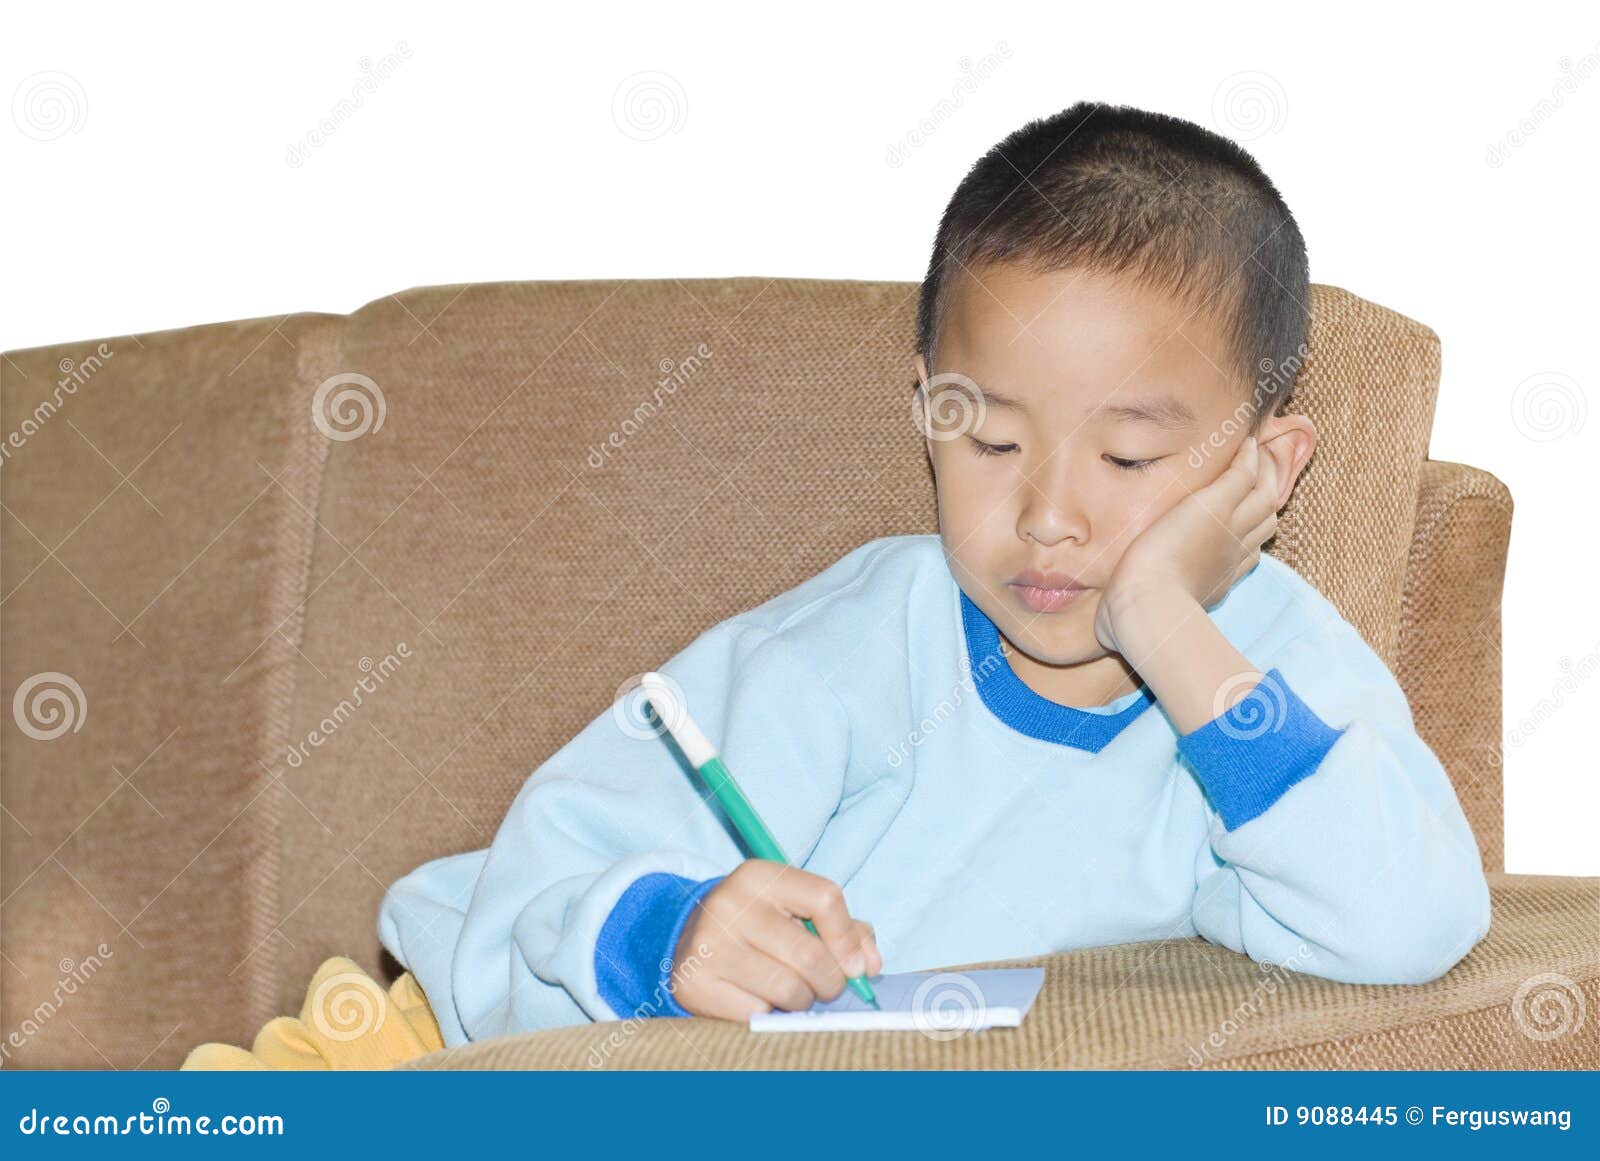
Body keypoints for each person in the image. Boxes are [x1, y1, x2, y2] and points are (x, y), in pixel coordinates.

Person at [186, 100, 1491, 1065]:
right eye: (990, 441)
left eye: (1131, 456)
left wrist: (1164, 622)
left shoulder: (1265, 676)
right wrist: (672, 937)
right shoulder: (860, 645)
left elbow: (1404, 921)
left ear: (1264, 468)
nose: (1048, 516)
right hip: (435, 1047)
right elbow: (539, 884)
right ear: (926, 414)